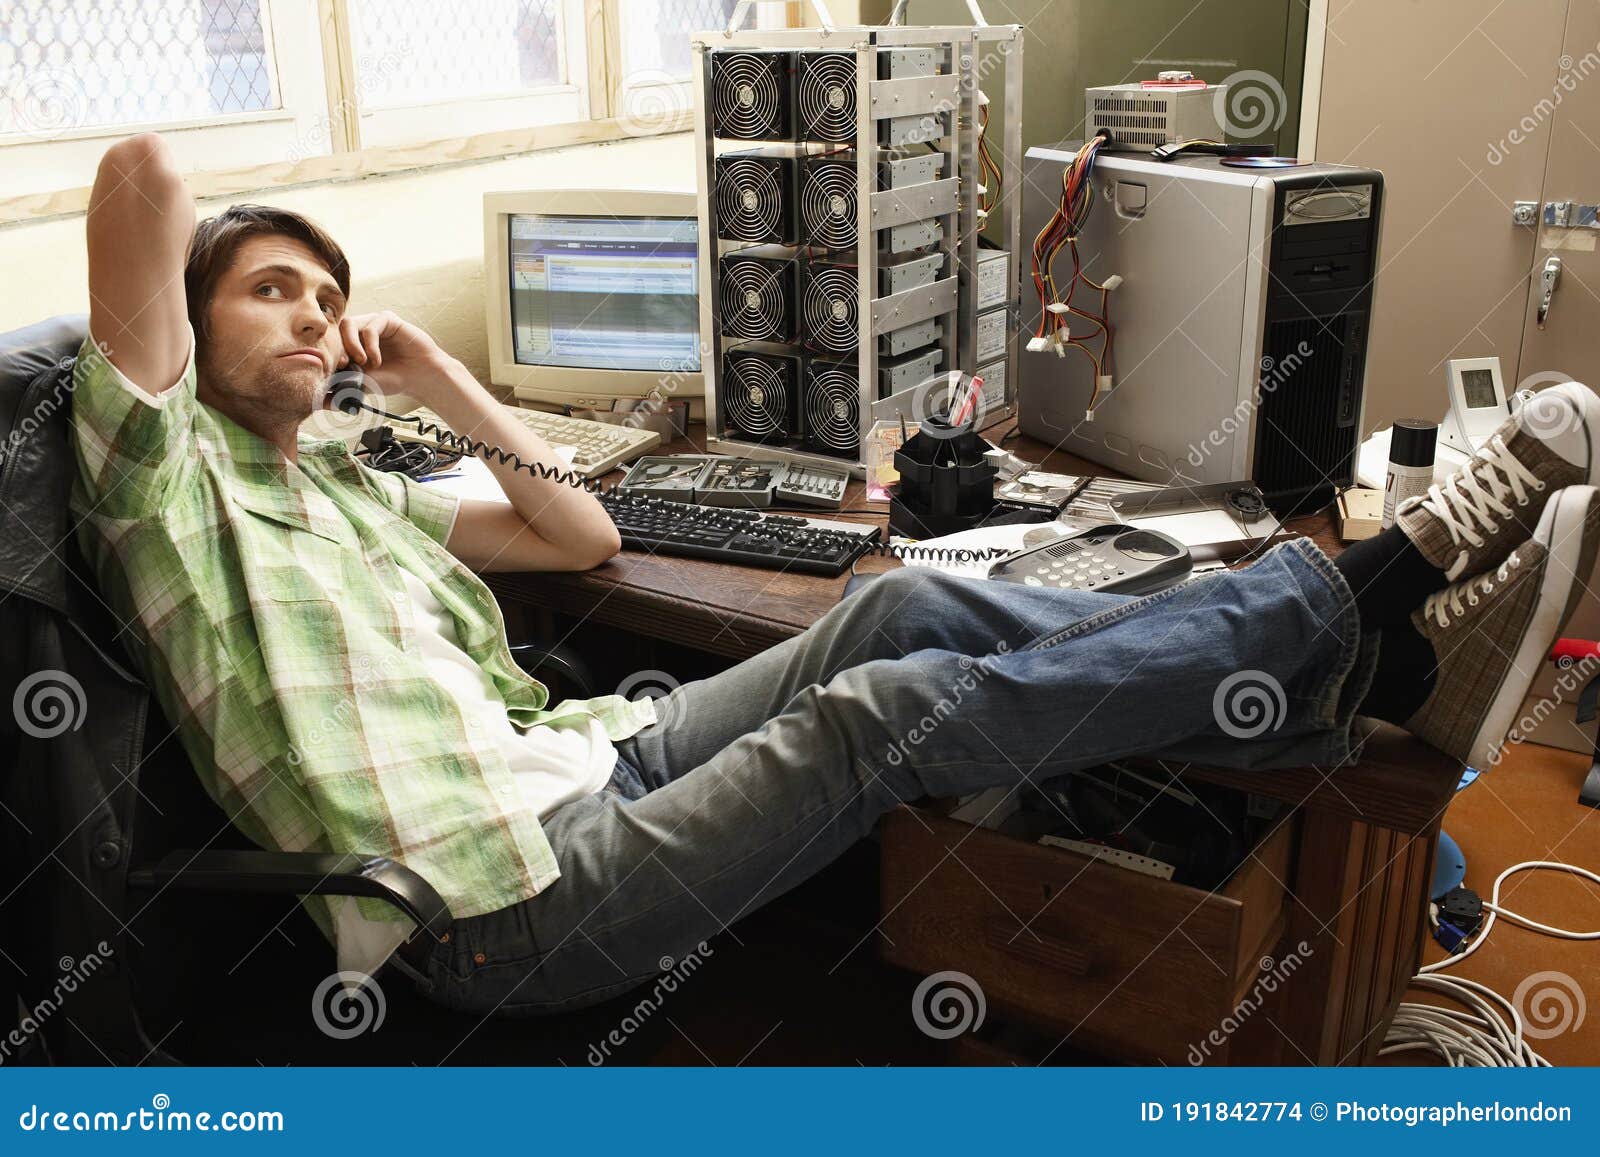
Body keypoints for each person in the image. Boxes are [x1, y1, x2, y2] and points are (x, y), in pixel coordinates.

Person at [69, 133, 1600, 1021]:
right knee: (888, 711)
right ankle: (1367, 609)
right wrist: (256, 292)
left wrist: (447, 382)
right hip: (492, 902)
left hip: (578, 767)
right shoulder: (167, 486)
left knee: (897, 603)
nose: (319, 320)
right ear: (183, 338)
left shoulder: (345, 485)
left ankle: (1352, 653)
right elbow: (141, 176)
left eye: (330, 297)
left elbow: (580, 542)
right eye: (274, 294)